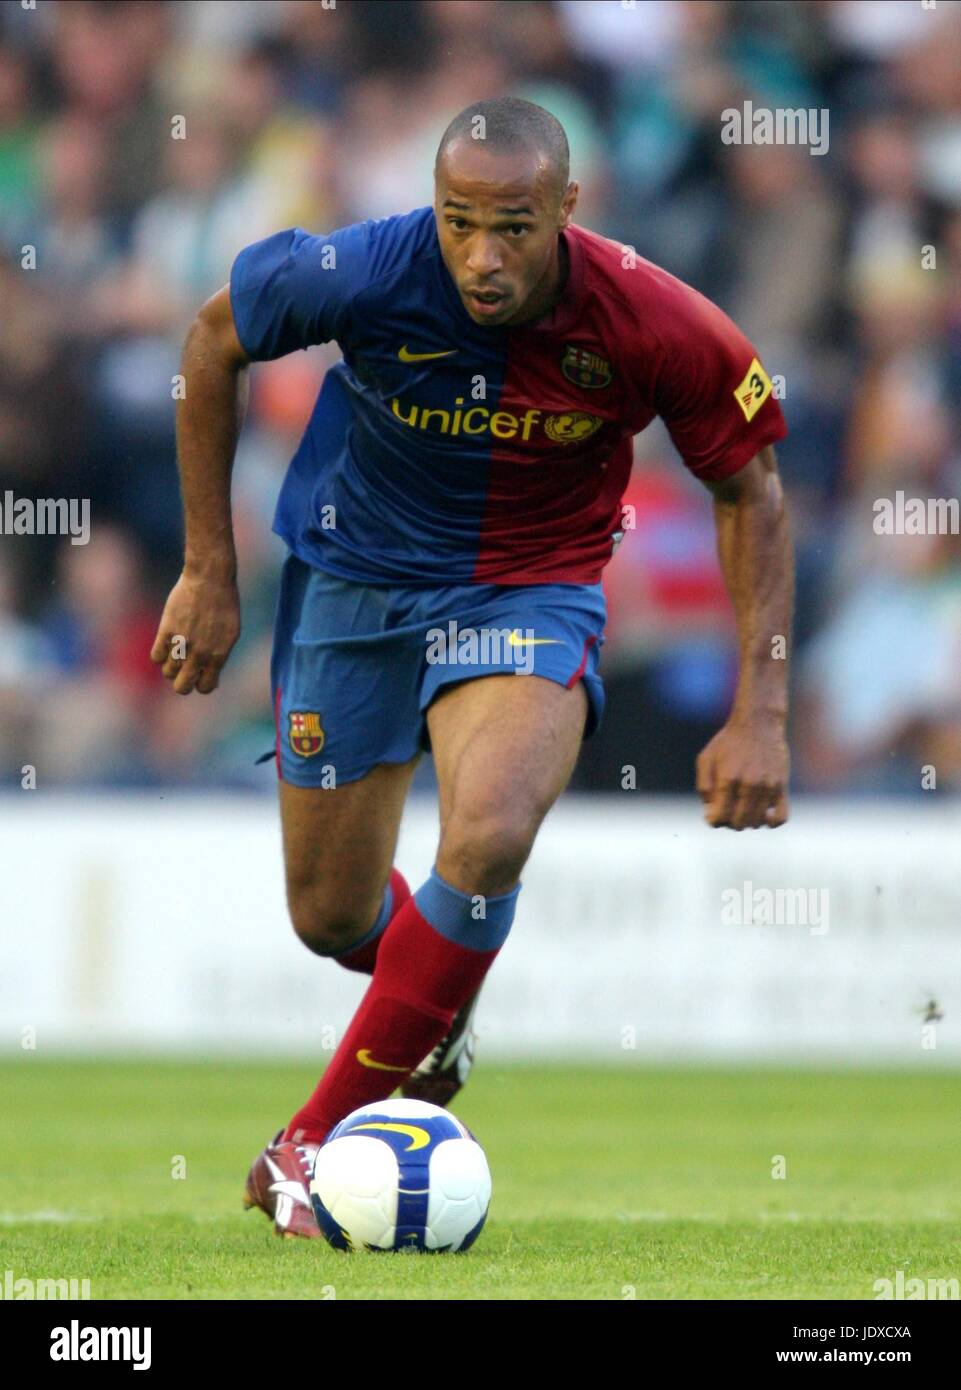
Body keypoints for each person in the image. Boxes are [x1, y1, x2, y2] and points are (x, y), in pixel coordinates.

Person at [150, 97, 793, 1238]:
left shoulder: (654, 318)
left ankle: (307, 1143)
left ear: (565, 211)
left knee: (487, 834)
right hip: (351, 579)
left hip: (527, 589)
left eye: (512, 228)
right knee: (331, 915)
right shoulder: (360, 268)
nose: (481, 258)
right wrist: (208, 567)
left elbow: (748, 486)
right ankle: (431, 1010)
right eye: (457, 224)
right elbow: (211, 340)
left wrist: (762, 708)